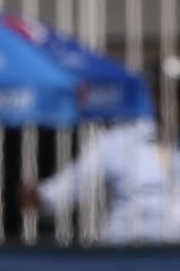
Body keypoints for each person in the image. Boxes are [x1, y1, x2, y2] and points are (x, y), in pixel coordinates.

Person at [20, 73, 180, 244]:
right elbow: (71, 186)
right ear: (155, 95)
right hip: (128, 257)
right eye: (169, 93)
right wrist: (40, 195)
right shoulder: (117, 143)